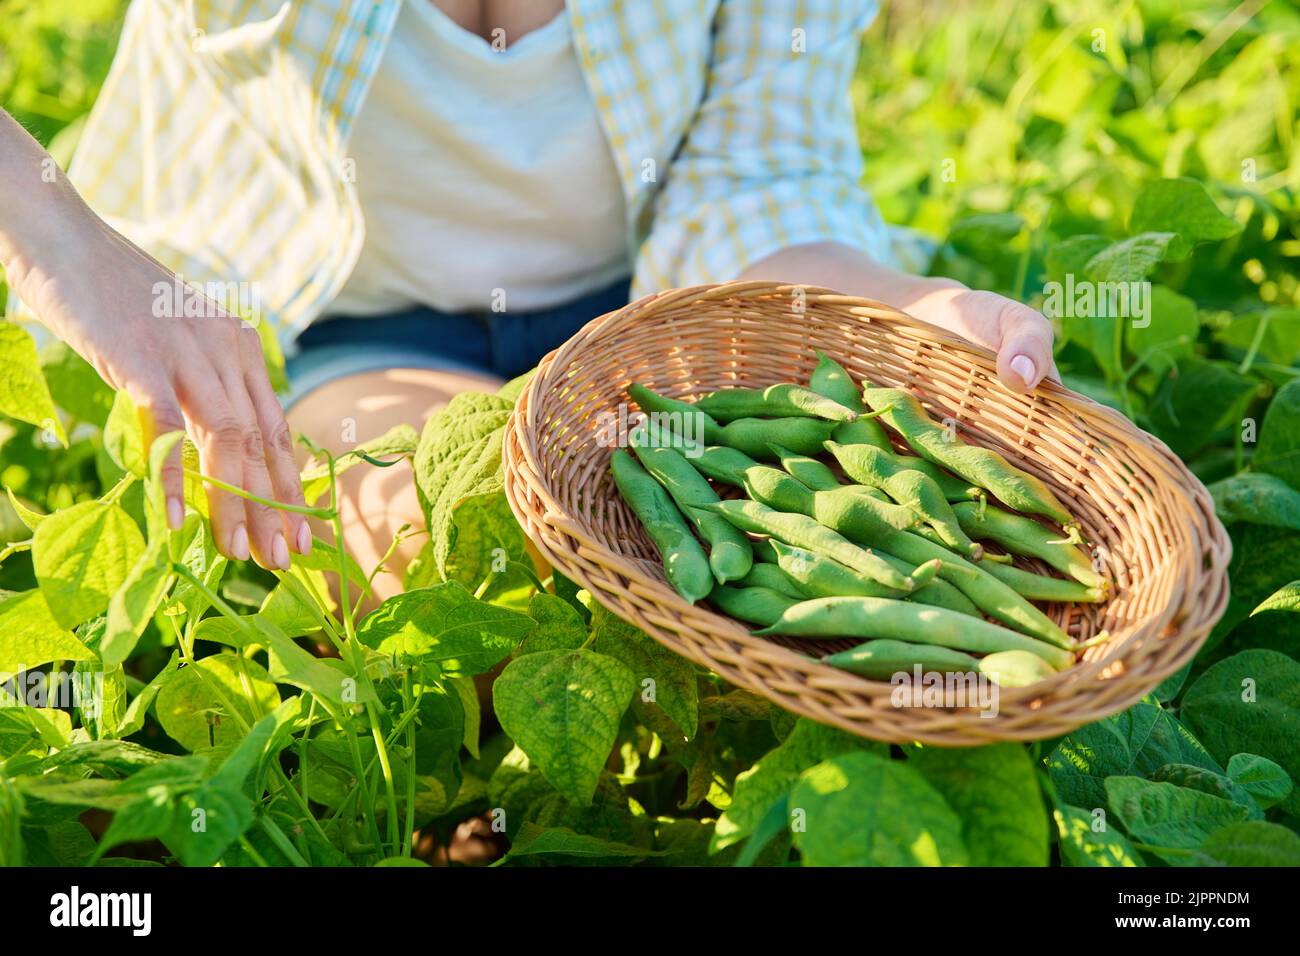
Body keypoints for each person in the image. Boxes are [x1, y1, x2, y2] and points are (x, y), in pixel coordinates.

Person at [0, 0, 1057, 598]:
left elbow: (758, 178)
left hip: (661, 323)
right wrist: (59, 239)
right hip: (370, 327)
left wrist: (903, 308)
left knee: (787, 529)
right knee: (470, 547)